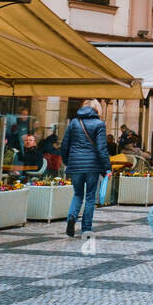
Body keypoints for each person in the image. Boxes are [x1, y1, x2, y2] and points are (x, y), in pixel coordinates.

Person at [61, 99, 108, 238]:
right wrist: (107, 168)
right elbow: (101, 148)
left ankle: (71, 217)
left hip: (75, 164)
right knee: (90, 197)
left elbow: (65, 144)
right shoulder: (99, 124)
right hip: (92, 166)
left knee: (77, 194)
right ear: (97, 109)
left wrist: (68, 162)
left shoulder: (74, 123)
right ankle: (86, 228)